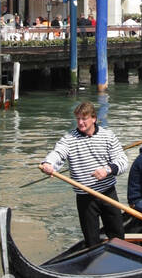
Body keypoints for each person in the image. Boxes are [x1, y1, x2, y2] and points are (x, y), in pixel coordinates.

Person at [41, 101, 128, 247]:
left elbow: (122, 161)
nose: (80, 122)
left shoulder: (108, 136)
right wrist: (48, 163)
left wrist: (107, 170)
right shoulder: (69, 139)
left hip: (108, 194)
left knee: (117, 235)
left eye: (84, 119)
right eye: (78, 119)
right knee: (91, 240)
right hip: (85, 197)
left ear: (93, 118)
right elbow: (58, 153)